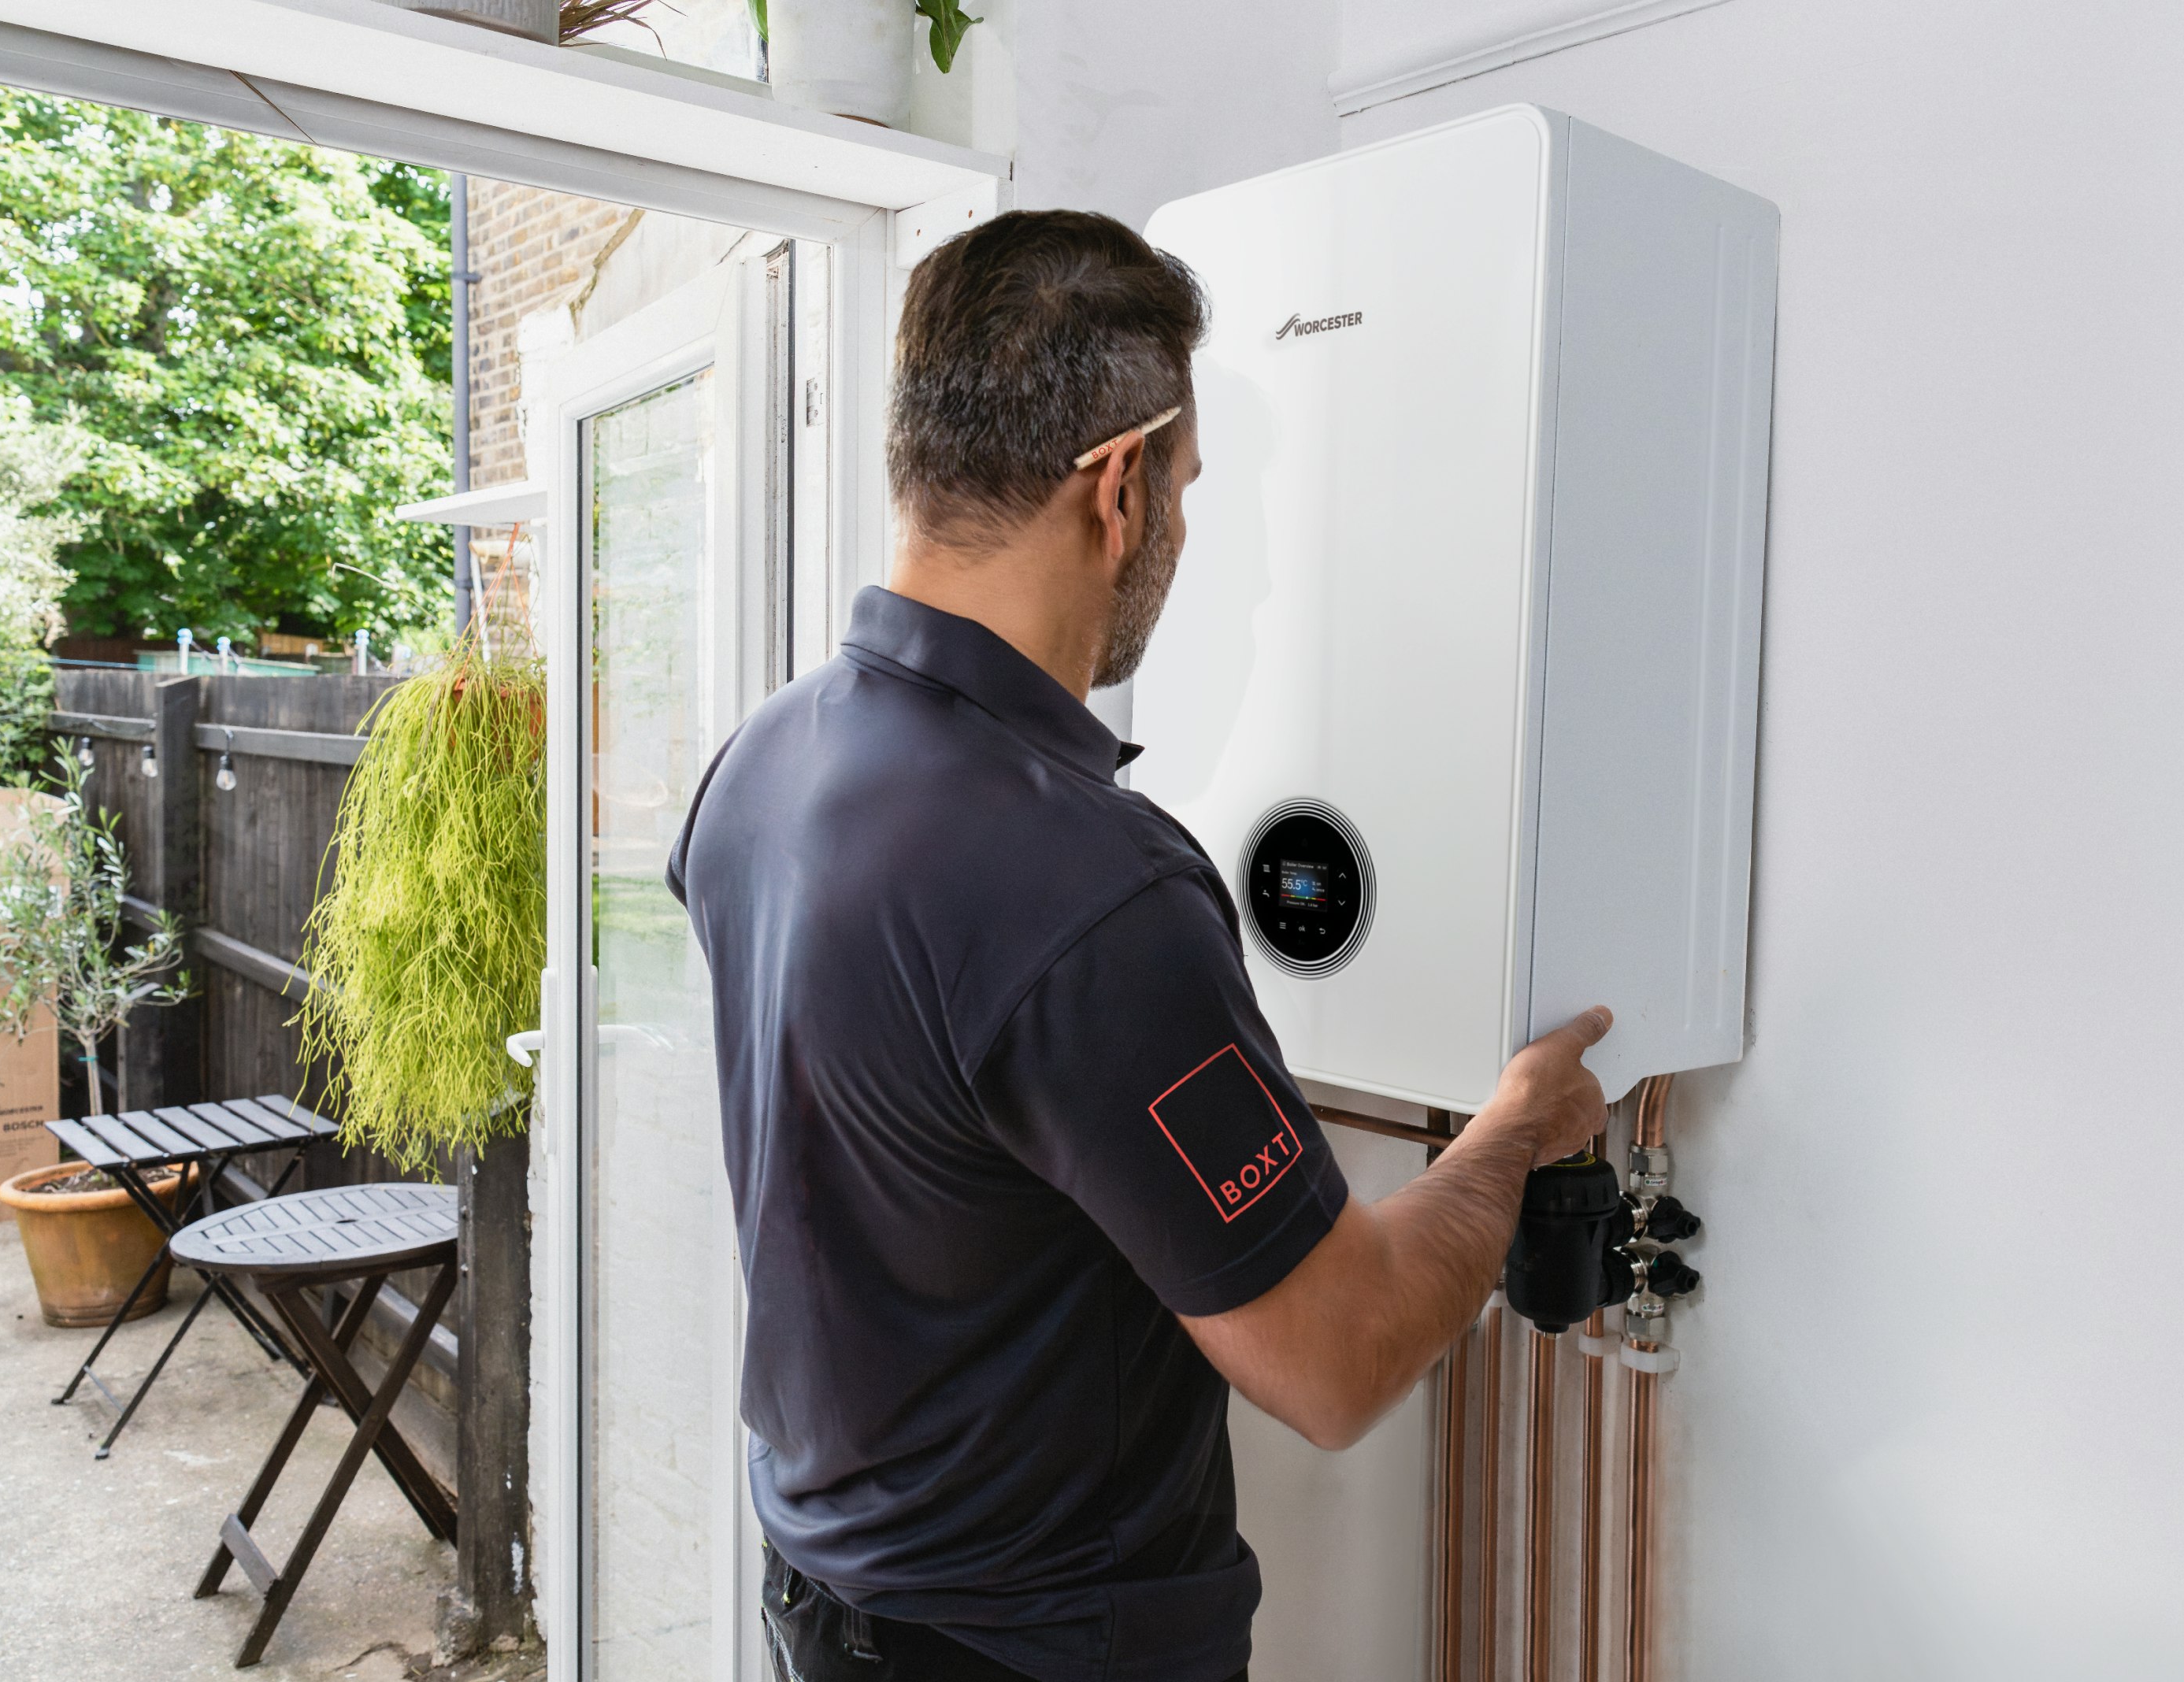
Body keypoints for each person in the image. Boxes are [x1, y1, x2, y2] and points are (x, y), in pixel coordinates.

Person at [668, 209, 1611, 1682]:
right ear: (1115, 490)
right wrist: (1516, 1129)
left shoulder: (763, 762)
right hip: (1036, 1649)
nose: (1185, 532)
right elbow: (1336, 1359)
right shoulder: (1088, 892)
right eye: (1183, 484)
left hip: (824, 1593)